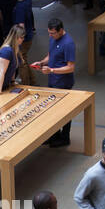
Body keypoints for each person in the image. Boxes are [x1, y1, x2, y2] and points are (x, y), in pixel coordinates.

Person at [32, 18, 76, 147]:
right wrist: (41, 63)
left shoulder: (68, 43)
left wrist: (51, 70)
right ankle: (53, 135)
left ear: (61, 30)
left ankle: (65, 137)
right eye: (49, 33)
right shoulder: (53, 38)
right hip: (52, 80)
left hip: (63, 83)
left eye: (52, 33)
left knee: (63, 111)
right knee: (51, 110)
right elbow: (51, 56)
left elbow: (70, 67)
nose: (50, 36)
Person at [0, 24, 24, 97]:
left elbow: (13, 68)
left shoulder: (16, 48)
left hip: (5, 84)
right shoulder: (6, 51)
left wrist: (12, 81)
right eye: (21, 37)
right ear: (15, 38)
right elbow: (2, 72)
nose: (23, 39)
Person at [11, 0, 36, 85]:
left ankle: (26, 84)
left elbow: (21, 26)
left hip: (24, 38)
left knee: (22, 63)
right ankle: (32, 81)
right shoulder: (28, 0)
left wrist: (18, 40)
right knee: (24, 59)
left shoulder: (20, 7)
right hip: (29, 36)